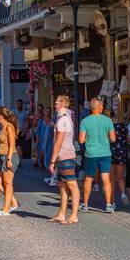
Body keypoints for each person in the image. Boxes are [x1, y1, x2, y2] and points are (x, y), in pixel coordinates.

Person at [78, 97, 117, 213]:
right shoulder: (108, 121)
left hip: (91, 154)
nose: (103, 108)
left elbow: (81, 140)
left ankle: (85, 204)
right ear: (99, 107)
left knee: (89, 178)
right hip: (105, 153)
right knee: (106, 178)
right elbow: (113, 139)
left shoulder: (85, 121)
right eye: (102, 106)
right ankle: (109, 205)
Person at [49, 94, 81, 224]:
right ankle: (61, 214)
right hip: (62, 156)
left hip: (66, 155)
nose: (55, 105)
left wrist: (52, 160)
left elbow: (58, 142)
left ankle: (74, 215)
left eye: (56, 103)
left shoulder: (63, 120)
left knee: (72, 185)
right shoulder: (64, 118)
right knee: (62, 185)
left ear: (62, 104)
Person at [0, 107, 20, 216]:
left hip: (9, 156)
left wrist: (9, 159)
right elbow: (1, 144)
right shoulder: (2, 127)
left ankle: (6, 209)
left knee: (7, 183)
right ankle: (14, 202)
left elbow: (12, 144)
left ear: (1, 116)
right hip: (1, 156)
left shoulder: (9, 126)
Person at [110, 106, 130, 205]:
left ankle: (112, 201)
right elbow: (128, 140)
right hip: (122, 152)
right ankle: (123, 194)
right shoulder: (124, 126)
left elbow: (109, 140)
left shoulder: (109, 126)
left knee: (111, 178)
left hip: (111, 152)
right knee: (120, 177)